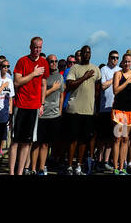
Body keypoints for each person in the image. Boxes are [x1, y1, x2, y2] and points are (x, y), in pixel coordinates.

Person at [10, 36, 48, 176]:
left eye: (40, 47)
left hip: (34, 106)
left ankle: (20, 172)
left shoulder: (44, 62)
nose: (37, 50)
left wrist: (42, 103)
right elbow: (17, 82)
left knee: (27, 142)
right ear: (30, 47)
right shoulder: (22, 61)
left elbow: (44, 85)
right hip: (21, 105)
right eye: (35, 47)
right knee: (15, 141)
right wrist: (33, 74)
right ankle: (12, 172)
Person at [63, 45, 98, 175]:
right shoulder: (74, 68)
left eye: (89, 52)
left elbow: (98, 88)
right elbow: (70, 84)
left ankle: (79, 165)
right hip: (74, 110)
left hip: (88, 111)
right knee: (73, 139)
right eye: (84, 52)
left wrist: (95, 106)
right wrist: (85, 77)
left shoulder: (96, 69)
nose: (87, 55)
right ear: (81, 54)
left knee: (84, 140)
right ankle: (69, 166)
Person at [34, 54, 64, 175]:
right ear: (47, 62)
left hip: (53, 114)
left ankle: (41, 168)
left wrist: (60, 111)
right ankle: (32, 168)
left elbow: (61, 95)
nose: (54, 63)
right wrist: (52, 89)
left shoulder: (59, 77)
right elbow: (39, 96)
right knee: (36, 143)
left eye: (55, 61)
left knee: (46, 143)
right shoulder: (42, 75)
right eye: (51, 61)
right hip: (41, 113)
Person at [110, 55, 131, 175]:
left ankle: (122, 168)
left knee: (126, 139)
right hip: (119, 110)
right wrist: (127, 82)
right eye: (125, 62)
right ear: (122, 62)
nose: (127, 64)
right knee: (117, 138)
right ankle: (116, 167)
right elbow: (115, 90)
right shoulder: (118, 74)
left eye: (129, 62)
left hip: (130, 110)